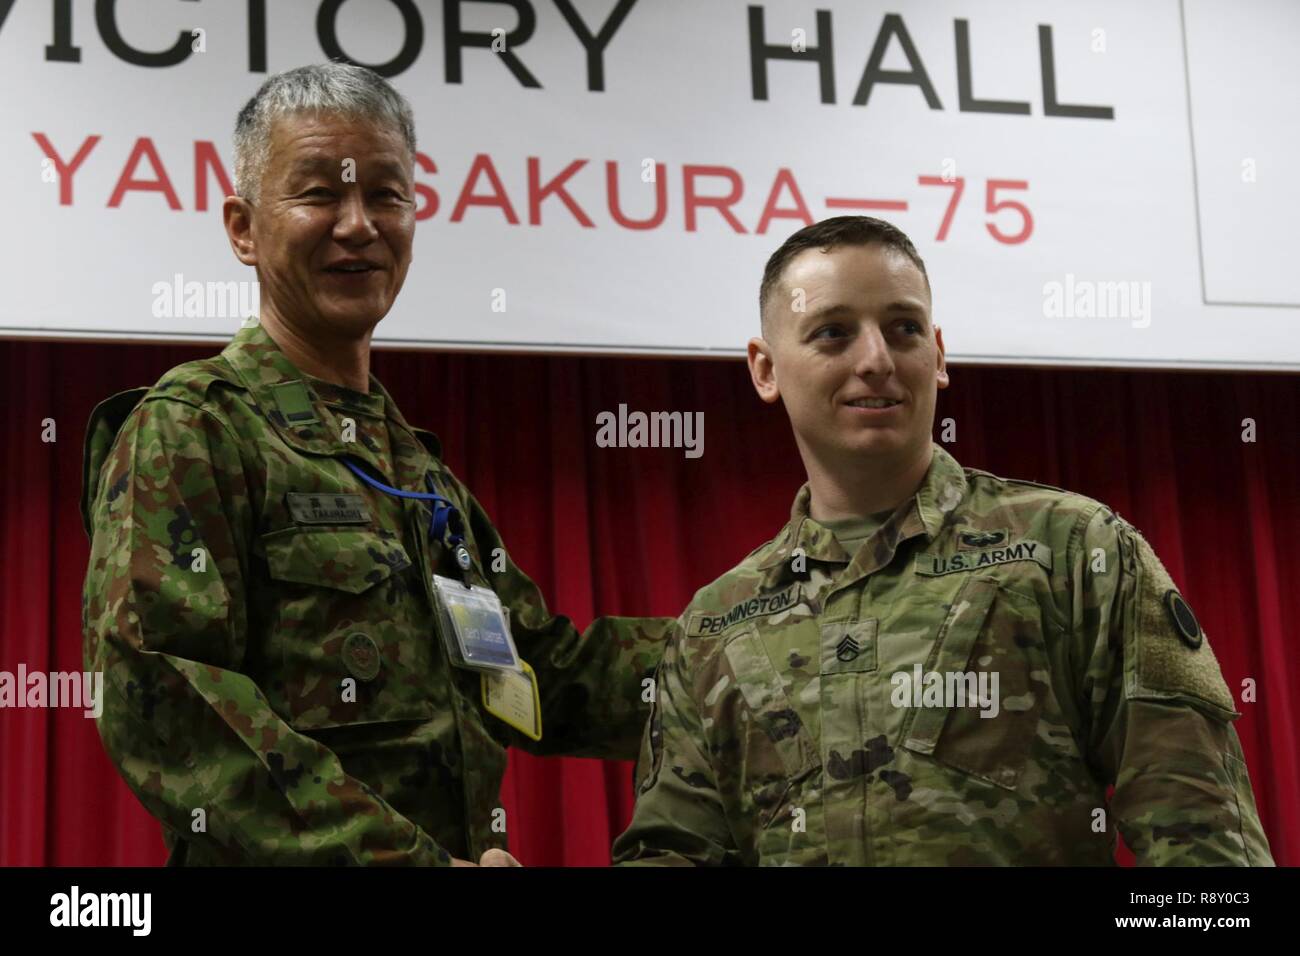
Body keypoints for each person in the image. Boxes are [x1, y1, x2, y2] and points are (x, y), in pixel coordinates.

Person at [80, 63, 669, 867]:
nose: (358, 224)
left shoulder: (413, 470)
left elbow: (538, 676)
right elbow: (163, 699)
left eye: (386, 195)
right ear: (244, 227)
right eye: (320, 193)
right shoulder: (196, 429)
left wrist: (747, 644)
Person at [612, 216, 1274, 866]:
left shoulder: (1074, 552)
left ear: (939, 353)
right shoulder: (715, 626)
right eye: (833, 333)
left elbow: (1208, 854)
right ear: (765, 369)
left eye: (903, 329)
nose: (875, 360)